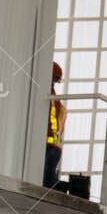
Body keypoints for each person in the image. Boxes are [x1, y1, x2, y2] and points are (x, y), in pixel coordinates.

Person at [43, 61, 67, 190]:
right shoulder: (58, 103)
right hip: (56, 146)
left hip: (47, 145)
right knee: (49, 181)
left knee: (44, 182)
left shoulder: (46, 97)